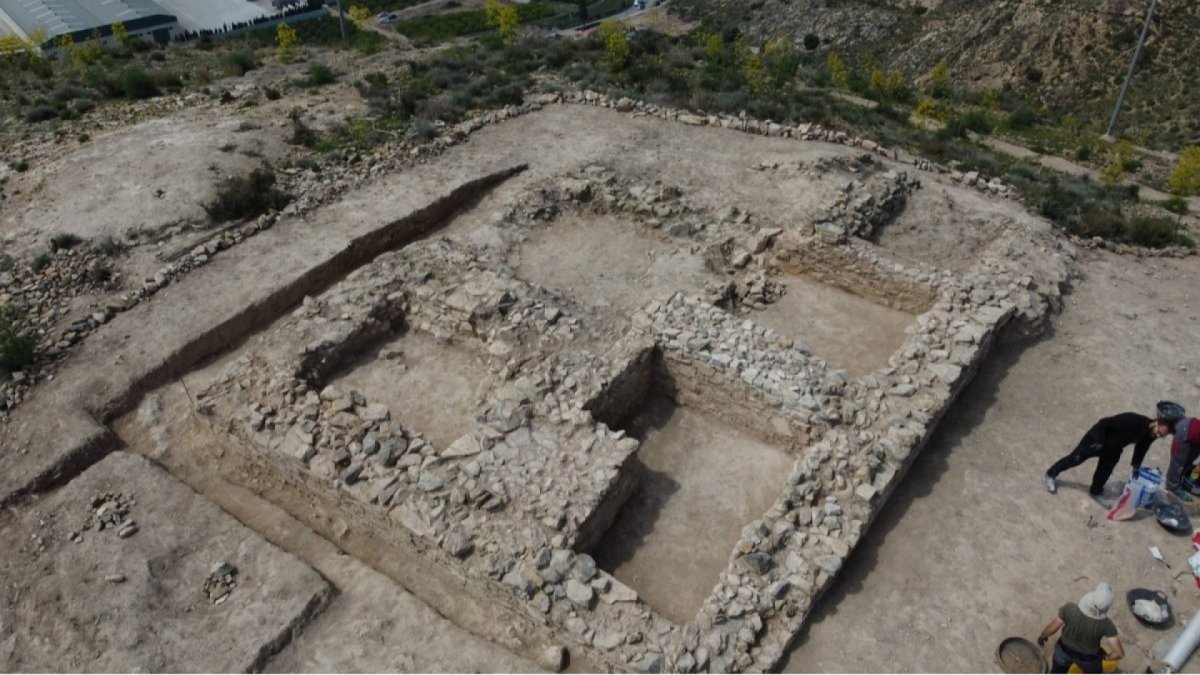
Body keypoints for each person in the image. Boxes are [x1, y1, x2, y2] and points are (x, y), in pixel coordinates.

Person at [1044, 401, 1182, 506]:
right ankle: (1051, 473)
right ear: (1159, 422)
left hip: (1114, 449)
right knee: (1075, 458)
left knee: (1104, 472)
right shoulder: (1133, 420)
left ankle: (1096, 491)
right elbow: (1104, 423)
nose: (1158, 436)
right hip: (1096, 439)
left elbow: (1142, 447)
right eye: (1160, 432)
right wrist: (1099, 440)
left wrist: (1136, 465)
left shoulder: (1151, 435)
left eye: (1161, 435)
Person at [1037, 583, 1123, 674]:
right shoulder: (1107, 625)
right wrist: (1107, 657)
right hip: (1089, 658)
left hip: (1063, 650)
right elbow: (1119, 653)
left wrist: (1043, 636)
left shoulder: (1069, 609)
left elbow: (1052, 629)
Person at [1165, 403, 1200, 501]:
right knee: (1178, 463)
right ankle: (1172, 487)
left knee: (1189, 459)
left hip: (1194, 436)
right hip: (1184, 432)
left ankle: (1183, 479)